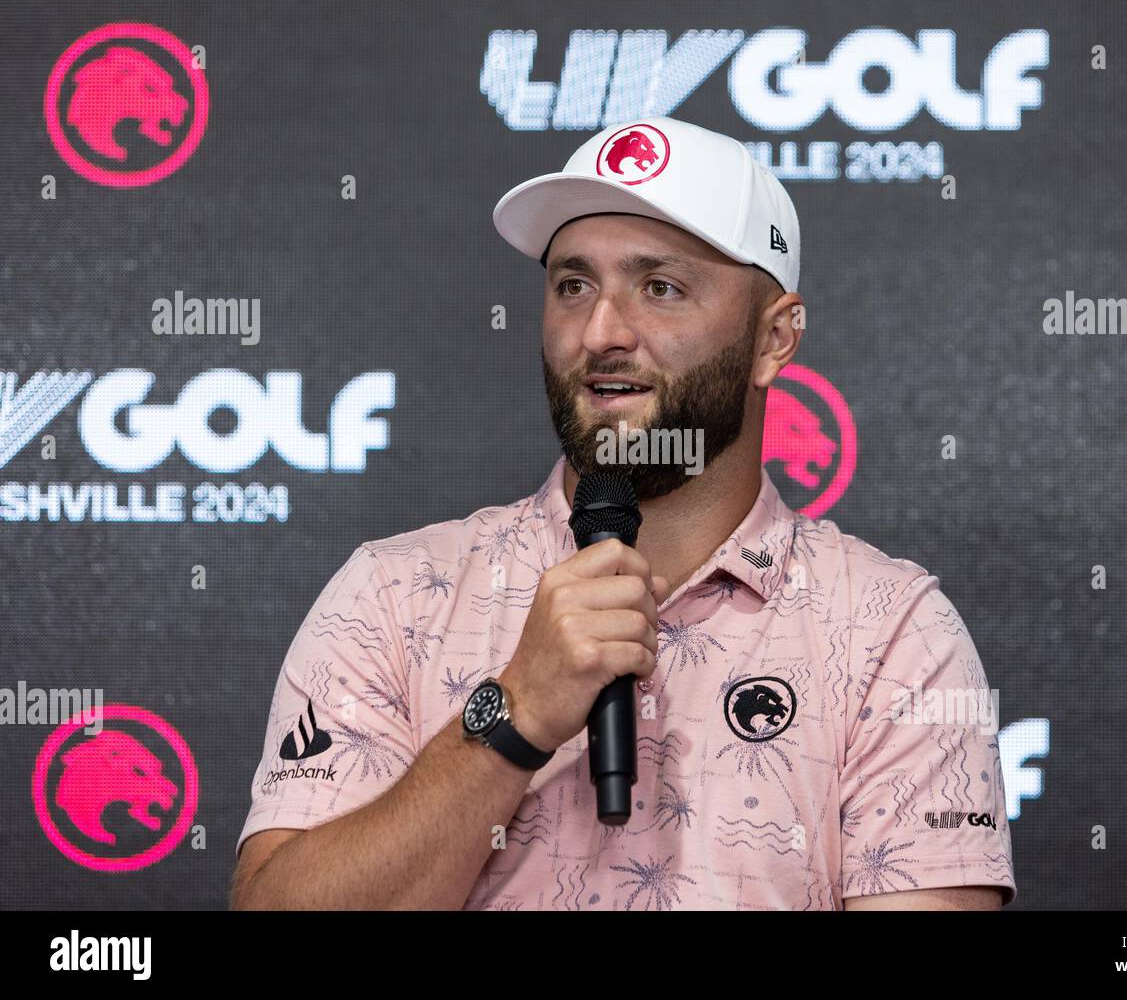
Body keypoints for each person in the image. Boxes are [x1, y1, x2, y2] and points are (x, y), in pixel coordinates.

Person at [230, 116, 1016, 910]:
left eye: (659, 287)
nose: (602, 333)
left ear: (774, 338)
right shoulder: (392, 596)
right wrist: (510, 718)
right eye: (574, 285)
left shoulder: (892, 630)